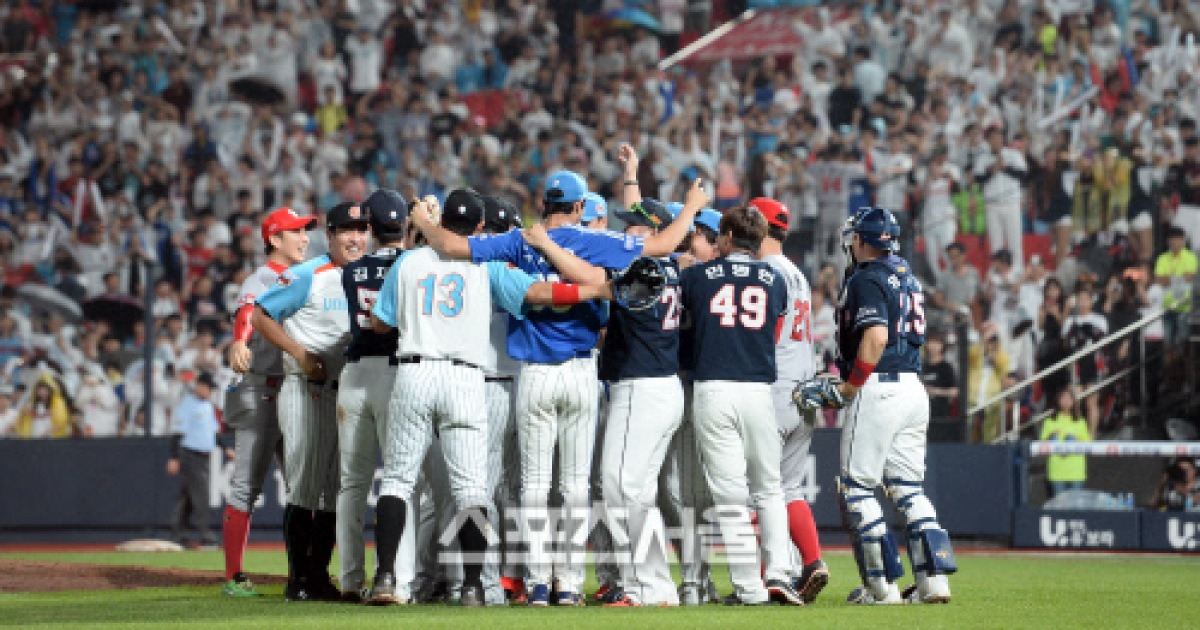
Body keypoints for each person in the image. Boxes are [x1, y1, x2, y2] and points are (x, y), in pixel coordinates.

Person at [410, 144, 704, 605]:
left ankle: (537, 581)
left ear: (543, 202)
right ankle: (567, 582)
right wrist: (690, 207)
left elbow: (449, 245)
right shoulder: (593, 241)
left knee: (532, 485)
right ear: (581, 207)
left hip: (534, 374)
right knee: (573, 486)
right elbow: (663, 244)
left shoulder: (517, 240)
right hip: (582, 372)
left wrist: (423, 220)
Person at [368, 191, 613, 607]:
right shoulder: (487, 264)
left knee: (397, 480)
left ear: (442, 220)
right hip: (466, 378)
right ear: (480, 228)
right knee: (472, 487)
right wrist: (596, 290)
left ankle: (386, 578)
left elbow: (378, 323)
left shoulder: (408, 262)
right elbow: (541, 294)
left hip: (414, 371)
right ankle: (472, 586)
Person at [796, 207, 956, 605]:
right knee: (908, 490)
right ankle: (934, 582)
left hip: (878, 386)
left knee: (857, 489)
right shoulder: (908, 277)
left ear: (861, 240)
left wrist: (850, 386)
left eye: (853, 237)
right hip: (913, 388)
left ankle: (880, 588)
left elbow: (877, 337)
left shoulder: (868, 277)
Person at [676, 205, 802, 606]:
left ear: (727, 237)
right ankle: (780, 573)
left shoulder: (697, 276)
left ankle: (749, 588)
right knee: (770, 488)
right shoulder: (775, 278)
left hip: (714, 389)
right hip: (759, 391)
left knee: (731, 496)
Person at [252, 201, 371, 601]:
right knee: (304, 486)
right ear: (330, 235)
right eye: (347, 231)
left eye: (361, 230)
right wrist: (300, 353)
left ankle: (318, 575)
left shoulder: (369, 275)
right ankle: (297, 579)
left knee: (337, 488)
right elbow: (261, 315)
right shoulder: (308, 274)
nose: (355, 238)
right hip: (307, 389)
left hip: (347, 391)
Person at [590, 196, 684, 607]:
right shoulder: (666, 266)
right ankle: (655, 586)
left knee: (619, 486)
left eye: (634, 226)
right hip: (662, 386)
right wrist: (631, 175)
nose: (625, 231)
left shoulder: (640, 266)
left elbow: (593, 277)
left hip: (641, 388)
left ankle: (642, 586)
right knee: (637, 494)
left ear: (655, 232)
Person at [221, 205, 316, 598]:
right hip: (259, 389)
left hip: (294, 389)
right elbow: (247, 312)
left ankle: (304, 574)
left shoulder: (305, 276)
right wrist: (239, 341)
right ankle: (234, 576)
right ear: (274, 239)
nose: (304, 238)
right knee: (246, 485)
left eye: (305, 231)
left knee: (303, 487)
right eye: (295, 231)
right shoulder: (261, 278)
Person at [335, 189, 413, 604]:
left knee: (352, 483)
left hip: (355, 374)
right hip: (397, 373)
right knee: (400, 479)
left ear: (370, 227)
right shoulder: (413, 265)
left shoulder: (351, 271)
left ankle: (350, 579)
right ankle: (400, 579)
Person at [751, 197, 829, 602]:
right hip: (805, 389)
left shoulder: (765, 272)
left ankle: (768, 577)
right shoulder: (797, 272)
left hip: (775, 387)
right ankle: (812, 562)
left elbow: (767, 330)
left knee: (759, 492)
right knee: (789, 489)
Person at [167, 373, 223, 549]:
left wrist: (226, 447)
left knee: (187, 497)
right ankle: (204, 534)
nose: (210, 391)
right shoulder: (187, 404)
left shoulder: (207, 405)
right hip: (190, 454)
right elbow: (178, 433)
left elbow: (213, 432)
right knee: (201, 495)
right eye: (208, 387)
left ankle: (178, 534)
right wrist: (174, 457)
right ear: (199, 386)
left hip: (203, 456)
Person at [974, 126, 1027, 271]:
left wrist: (1005, 168)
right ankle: (997, 274)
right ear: (988, 140)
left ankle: (1017, 272)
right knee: (996, 243)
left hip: (1011, 202)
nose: (997, 140)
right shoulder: (982, 158)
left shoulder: (1013, 154)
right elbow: (978, 179)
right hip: (992, 204)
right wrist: (993, 169)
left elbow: (1022, 175)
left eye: (999, 137)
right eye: (993, 138)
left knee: (1015, 242)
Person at [1062, 285, 1109, 435]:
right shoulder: (1070, 321)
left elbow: (1103, 341)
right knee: (1075, 401)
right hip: (1076, 362)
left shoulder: (1099, 319)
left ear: (1091, 301)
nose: (1082, 302)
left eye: (1086, 299)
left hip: (1093, 361)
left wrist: (1089, 333)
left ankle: (1092, 436)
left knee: (1091, 402)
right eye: (1080, 299)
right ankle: (1077, 434)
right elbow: (1065, 342)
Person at [1040, 387, 1090, 499]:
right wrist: (1051, 436)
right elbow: (1042, 445)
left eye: (1069, 398)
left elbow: (1087, 444)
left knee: (1075, 505)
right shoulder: (1050, 421)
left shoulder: (1080, 421)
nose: (1066, 401)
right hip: (1057, 470)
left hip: (1076, 471)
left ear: (1073, 401)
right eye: (1063, 398)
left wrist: (1075, 440)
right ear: (1058, 400)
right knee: (1059, 504)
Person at [1154, 226, 1197, 347]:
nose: (1175, 242)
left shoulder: (1191, 257)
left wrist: (1169, 278)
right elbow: (1158, 280)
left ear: (1183, 240)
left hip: (1184, 306)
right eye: (1173, 239)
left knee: (1182, 341)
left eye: (1178, 239)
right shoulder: (1162, 258)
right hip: (1167, 306)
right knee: (1167, 342)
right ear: (1168, 241)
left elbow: (1190, 276)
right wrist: (1181, 277)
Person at [921, 334, 959, 443]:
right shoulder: (922, 366)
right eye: (931, 342)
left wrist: (935, 391)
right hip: (922, 416)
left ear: (942, 346)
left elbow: (954, 392)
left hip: (940, 417)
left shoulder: (946, 367)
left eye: (937, 343)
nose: (933, 346)